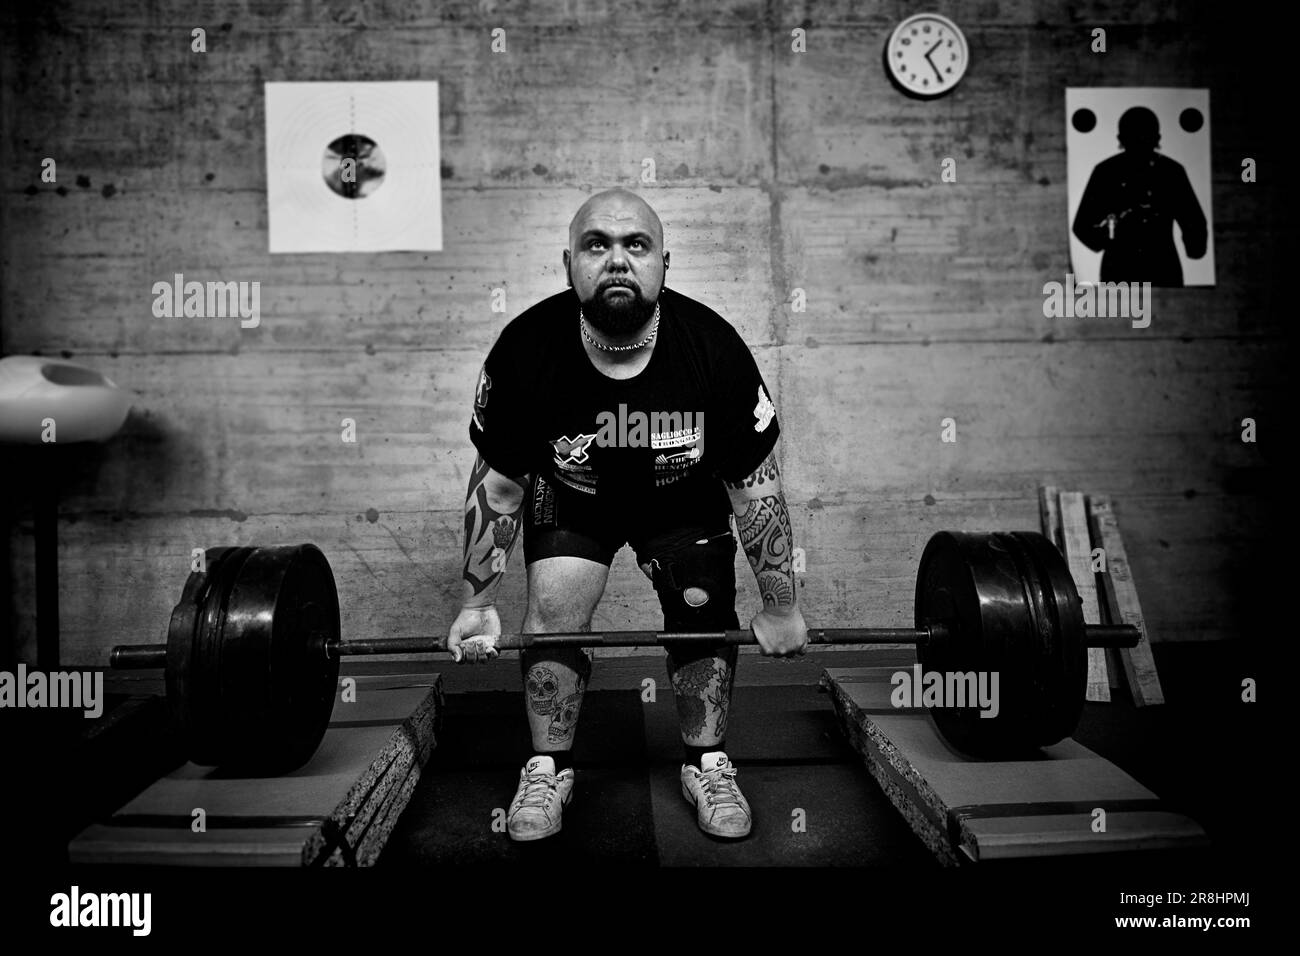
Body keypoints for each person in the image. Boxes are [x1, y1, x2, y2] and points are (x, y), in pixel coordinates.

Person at [447, 188, 808, 842]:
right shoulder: (526, 349)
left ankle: (706, 763)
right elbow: (500, 490)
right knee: (554, 608)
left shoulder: (713, 351)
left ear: (664, 263)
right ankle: (548, 765)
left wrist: (781, 606)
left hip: (683, 495)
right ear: (568, 264)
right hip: (574, 494)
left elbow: (755, 492)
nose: (617, 260)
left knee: (702, 604)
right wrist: (476, 605)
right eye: (597, 245)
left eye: (635, 245)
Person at [1072, 106, 1207, 287]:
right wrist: (1195, 249)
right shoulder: (1171, 171)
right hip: (1159, 268)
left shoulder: (1107, 172)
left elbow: (1082, 226)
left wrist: (1108, 238)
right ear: (1157, 138)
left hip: (1123, 269)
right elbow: (1195, 225)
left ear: (1120, 139)